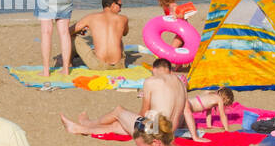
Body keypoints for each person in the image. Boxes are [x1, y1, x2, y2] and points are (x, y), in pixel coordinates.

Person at [61, 57, 200, 141]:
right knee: (116, 126)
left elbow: (144, 111)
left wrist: (131, 119)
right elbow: (187, 112)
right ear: (169, 70)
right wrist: (195, 137)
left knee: (118, 111)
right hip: (169, 133)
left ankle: (88, 123)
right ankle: (79, 128)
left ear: (155, 69)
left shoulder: (152, 81)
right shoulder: (181, 82)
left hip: (153, 130)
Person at [70, 0, 128, 70]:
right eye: (120, 5)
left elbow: (68, 31)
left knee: (73, 38)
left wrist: (78, 32)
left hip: (98, 66)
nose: (120, 9)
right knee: (118, 36)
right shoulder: (123, 19)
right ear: (113, 5)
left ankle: (69, 62)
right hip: (119, 66)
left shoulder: (91, 18)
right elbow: (125, 33)